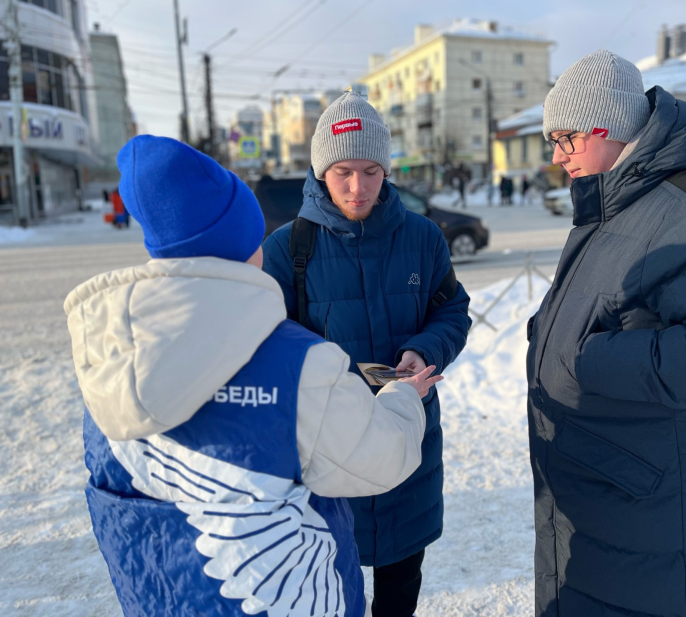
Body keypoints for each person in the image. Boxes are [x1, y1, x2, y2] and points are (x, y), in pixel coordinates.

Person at [66, 135, 439, 617]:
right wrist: (402, 398)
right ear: (246, 243)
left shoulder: (108, 357)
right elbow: (381, 457)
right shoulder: (295, 363)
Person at [526, 50, 686, 616]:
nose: (557, 155)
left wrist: (590, 360)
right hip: (608, 488)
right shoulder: (618, 200)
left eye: (567, 138)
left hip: (652, 503)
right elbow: (617, 305)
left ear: (611, 126)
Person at [262, 92, 471, 617]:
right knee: (332, 592)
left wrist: (425, 349)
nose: (358, 187)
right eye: (344, 172)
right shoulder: (288, 248)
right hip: (330, 448)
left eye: (372, 172)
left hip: (408, 437)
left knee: (401, 588)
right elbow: (266, 343)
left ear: (387, 170)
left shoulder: (423, 237)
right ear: (321, 171)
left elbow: (452, 310)